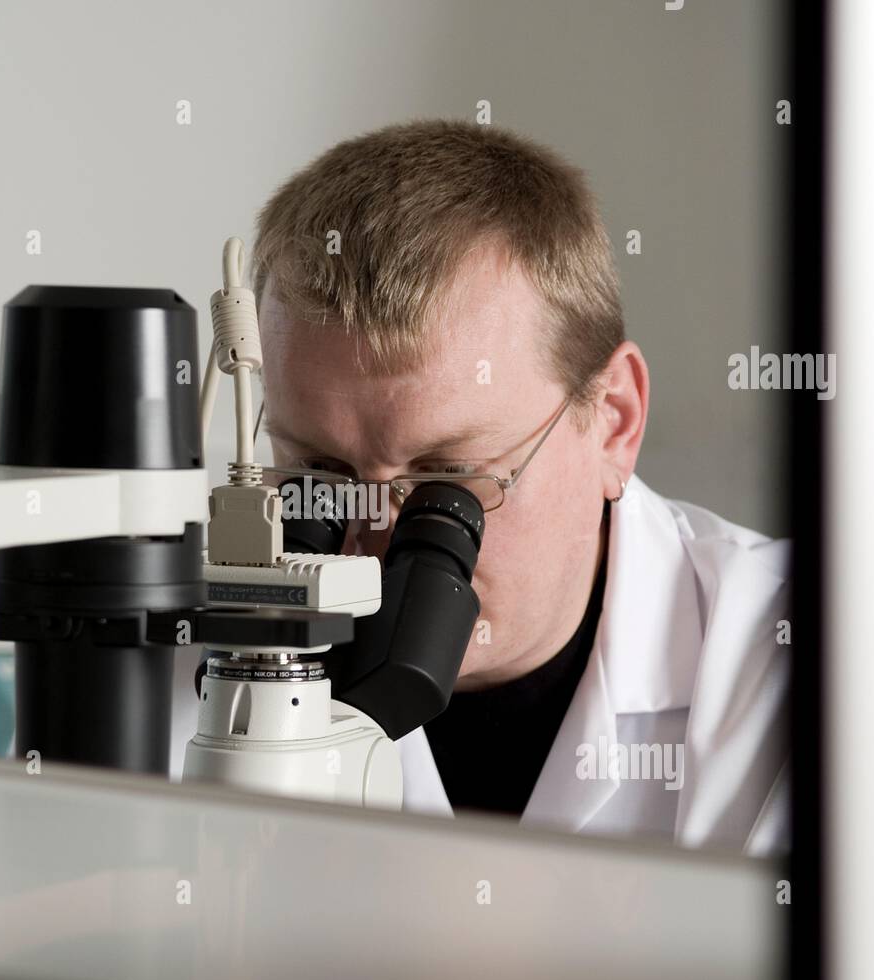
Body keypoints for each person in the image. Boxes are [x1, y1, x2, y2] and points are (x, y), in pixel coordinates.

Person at [191, 119, 790, 855]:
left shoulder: (799, 669)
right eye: (320, 477)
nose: (374, 546)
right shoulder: (184, 654)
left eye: (448, 482)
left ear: (614, 424)